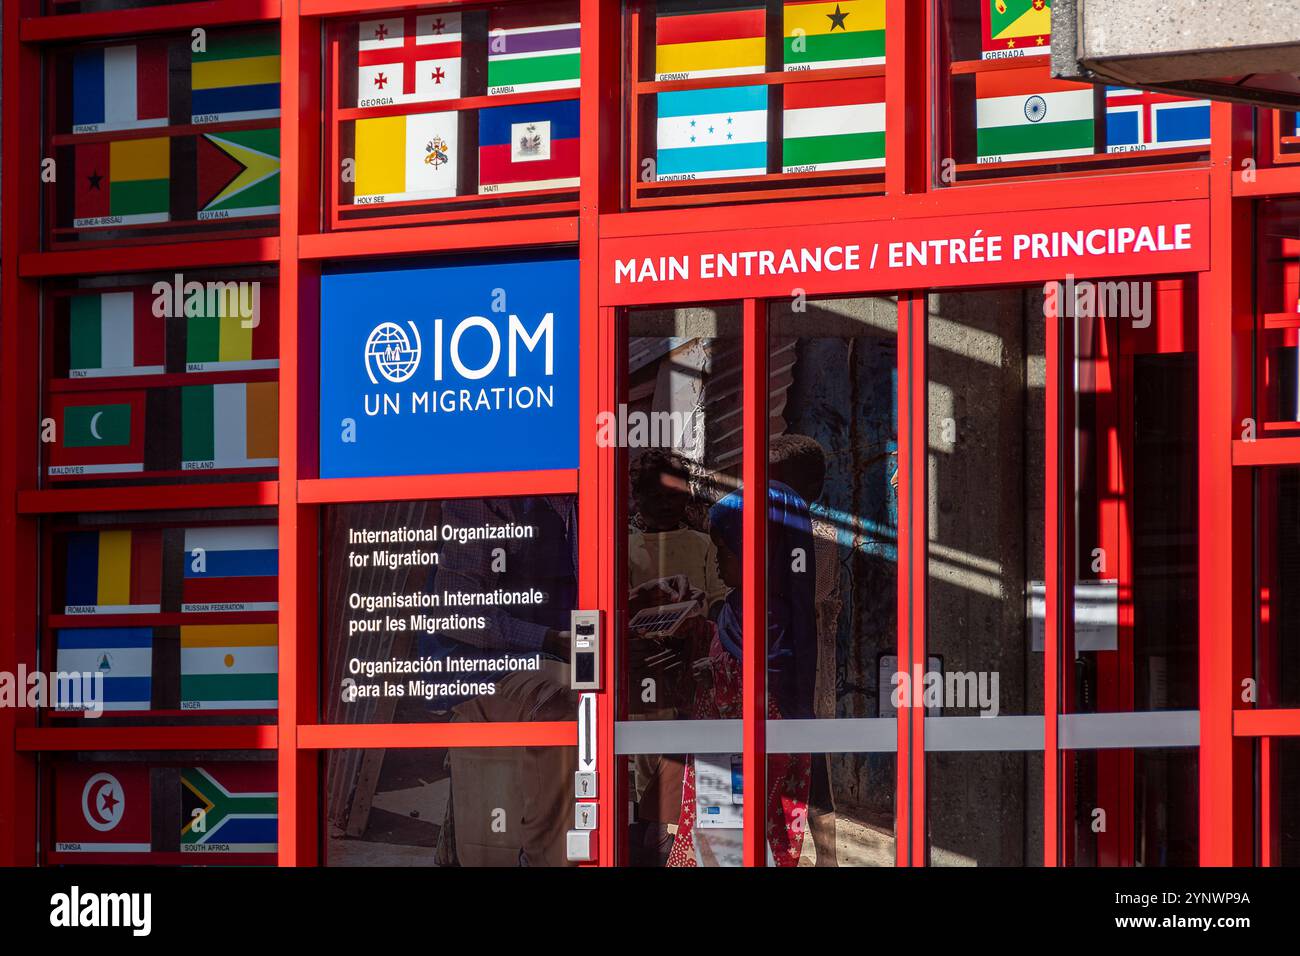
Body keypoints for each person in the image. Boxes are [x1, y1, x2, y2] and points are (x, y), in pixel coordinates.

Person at [667, 483, 816, 867]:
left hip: (747, 766)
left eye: (726, 549)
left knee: (740, 850)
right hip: (721, 762)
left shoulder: (775, 623)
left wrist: (714, 675)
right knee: (719, 849)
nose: (718, 560)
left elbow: (767, 699)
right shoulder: (736, 607)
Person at [769, 433, 842, 865]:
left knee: (806, 766)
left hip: (799, 670)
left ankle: (824, 856)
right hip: (807, 670)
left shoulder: (806, 535)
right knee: (810, 764)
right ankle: (822, 856)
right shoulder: (820, 533)